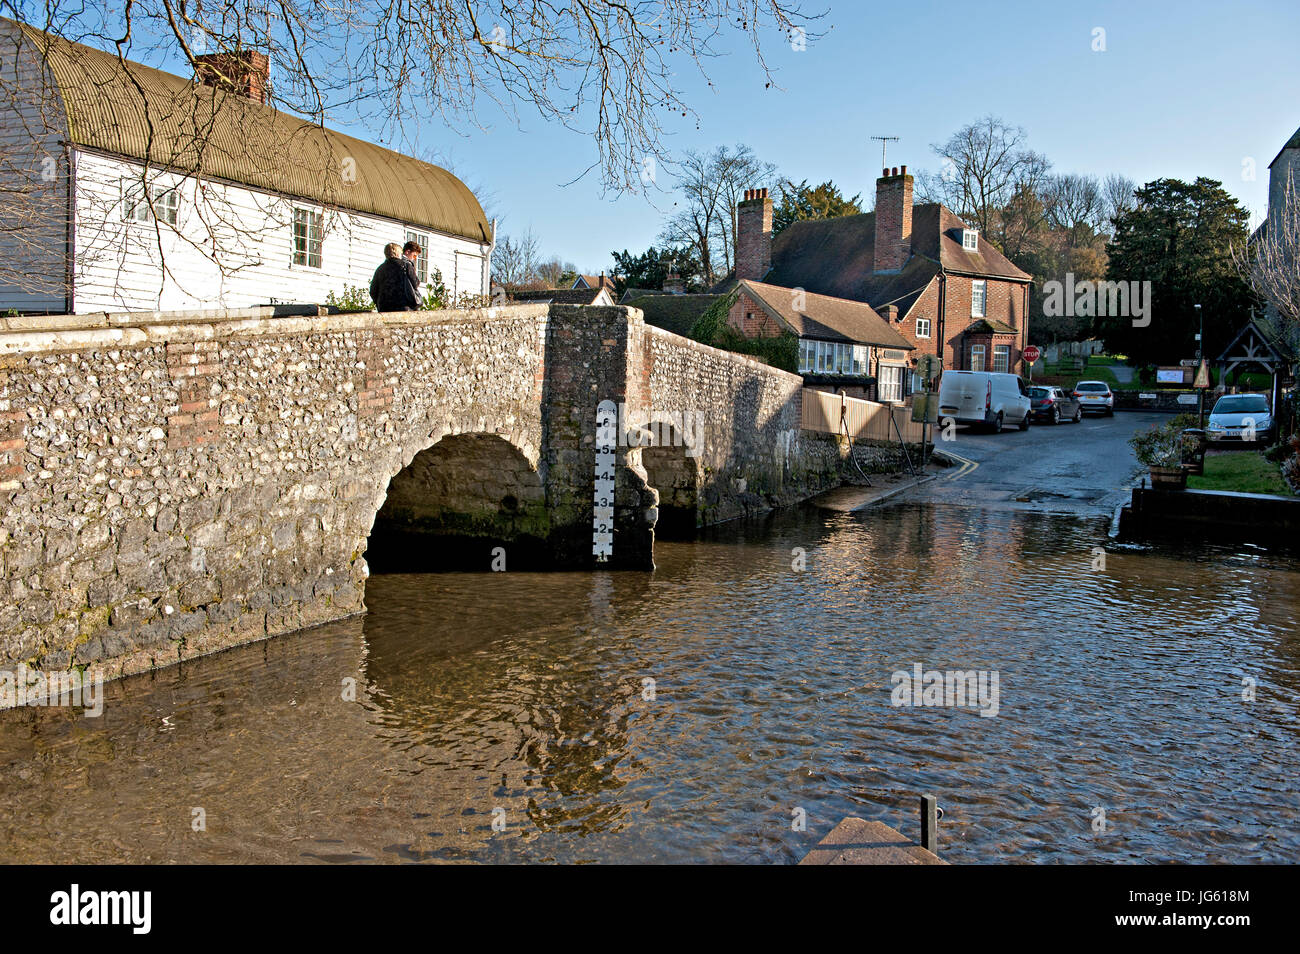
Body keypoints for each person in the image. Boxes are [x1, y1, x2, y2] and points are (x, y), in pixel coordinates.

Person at [369, 242, 420, 311]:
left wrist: (379, 303)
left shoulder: (380, 268)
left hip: (384, 308)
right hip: (404, 306)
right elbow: (415, 283)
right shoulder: (406, 266)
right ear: (398, 253)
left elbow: (373, 291)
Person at [400, 240, 422, 307]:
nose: (414, 258)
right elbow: (415, 282)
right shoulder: (407, 264)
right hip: (405, 301)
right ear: (407, 252)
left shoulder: (395, 262)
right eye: (414, 256)